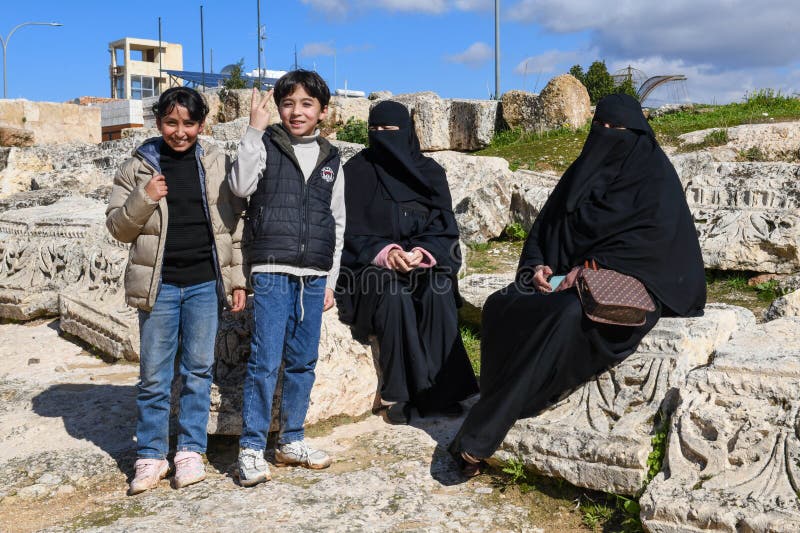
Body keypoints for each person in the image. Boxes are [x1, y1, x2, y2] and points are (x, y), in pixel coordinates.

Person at [448, 93, 706, 476]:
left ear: (634, 134)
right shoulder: (581, 171)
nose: (605, 137)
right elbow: (547, 228)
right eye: (598, 128)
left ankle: (479, 438)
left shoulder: (654, 179)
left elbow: (654, 247)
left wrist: (593, 270)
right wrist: (538, 265)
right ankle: (496, 396)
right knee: (503, 303)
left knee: (565, 317)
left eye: (615, 130)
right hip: (562, 279)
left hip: (625, 285)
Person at [106, 87, 247, 494]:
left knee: (198, 372)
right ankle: (150, 455)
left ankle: (189, 450)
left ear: (202, 125)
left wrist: (237, 281)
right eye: (171, 122)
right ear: (158, 123)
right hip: (159, 287)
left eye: (188, 123)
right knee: (153, 376)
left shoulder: (216, 161)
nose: (180, 132)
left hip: (204, 285)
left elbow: (232, 229)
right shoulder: (137, 167)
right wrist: (143, 199)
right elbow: (118, 227)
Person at [229, 70, 345, 487]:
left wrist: (330, 278)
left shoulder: (332, 158)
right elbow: (241, 186)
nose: (297, 112)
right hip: (273, 270)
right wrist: (253, 130)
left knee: (302, 361)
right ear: (278, 108)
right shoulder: (264, 143)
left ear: (323, 112)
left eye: (307, 104)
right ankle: (251, 446)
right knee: (264, 361)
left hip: (313, 276)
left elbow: (338, 221)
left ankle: (291, 438)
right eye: (289, 103)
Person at [337, 100, 479, 425]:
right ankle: (397, 394)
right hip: (369, 270)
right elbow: (345, 232)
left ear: (408, 133)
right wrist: (385, 253)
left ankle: (443, 391)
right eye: (375, 130)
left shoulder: (429, 173)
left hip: (421, 264)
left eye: (391, 130)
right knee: (392, 295)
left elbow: (445, 229)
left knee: (438, 289)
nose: (383, 137)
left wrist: (421, 253)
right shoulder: (356, 172)